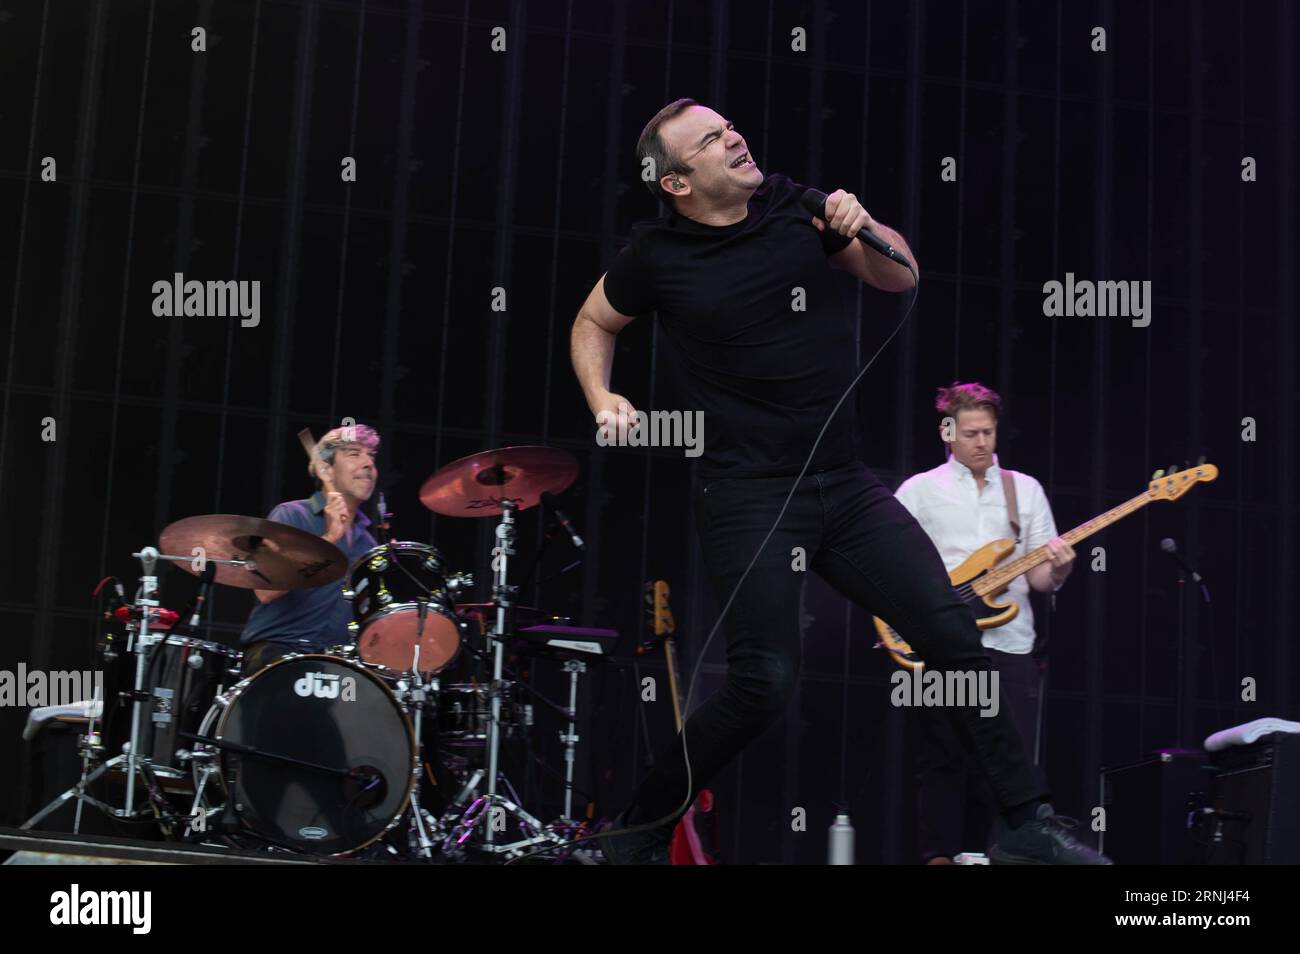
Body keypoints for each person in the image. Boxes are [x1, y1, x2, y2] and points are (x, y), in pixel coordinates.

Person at [569, 98, 1106, 864]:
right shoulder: (655, 256)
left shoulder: (797, 206)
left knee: (954, 637)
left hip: (844, 487)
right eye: (714, 139)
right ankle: (639, 829)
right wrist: (602, 395)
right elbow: (593, 322)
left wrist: (864, 226)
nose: (736, 137)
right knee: (763, 684)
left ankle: (1027, 818)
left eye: (732, 126)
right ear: (679, 181)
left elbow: (899, 276)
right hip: (748, 493)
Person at [895, 382, 1074, 864]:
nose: (981, 442)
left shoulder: (1025, 490)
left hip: (1009, 641)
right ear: (947, 431)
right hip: (942, 640)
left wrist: (1058, 568)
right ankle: (939, 856)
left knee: (1007, 759)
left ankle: (998, 854)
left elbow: (1039, 577)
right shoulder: (918, 491)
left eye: (989, 432)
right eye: (971, 432)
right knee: (943, 753)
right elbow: (889, 565)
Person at [240, 425, 380, 675]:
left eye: (371, 455)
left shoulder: (368, 544)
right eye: (354, 454)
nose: (368, 463)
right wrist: (329, 540)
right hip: (277, 652)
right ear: (326, 470)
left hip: (337, 664)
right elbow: (263, 590)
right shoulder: (291, 516)